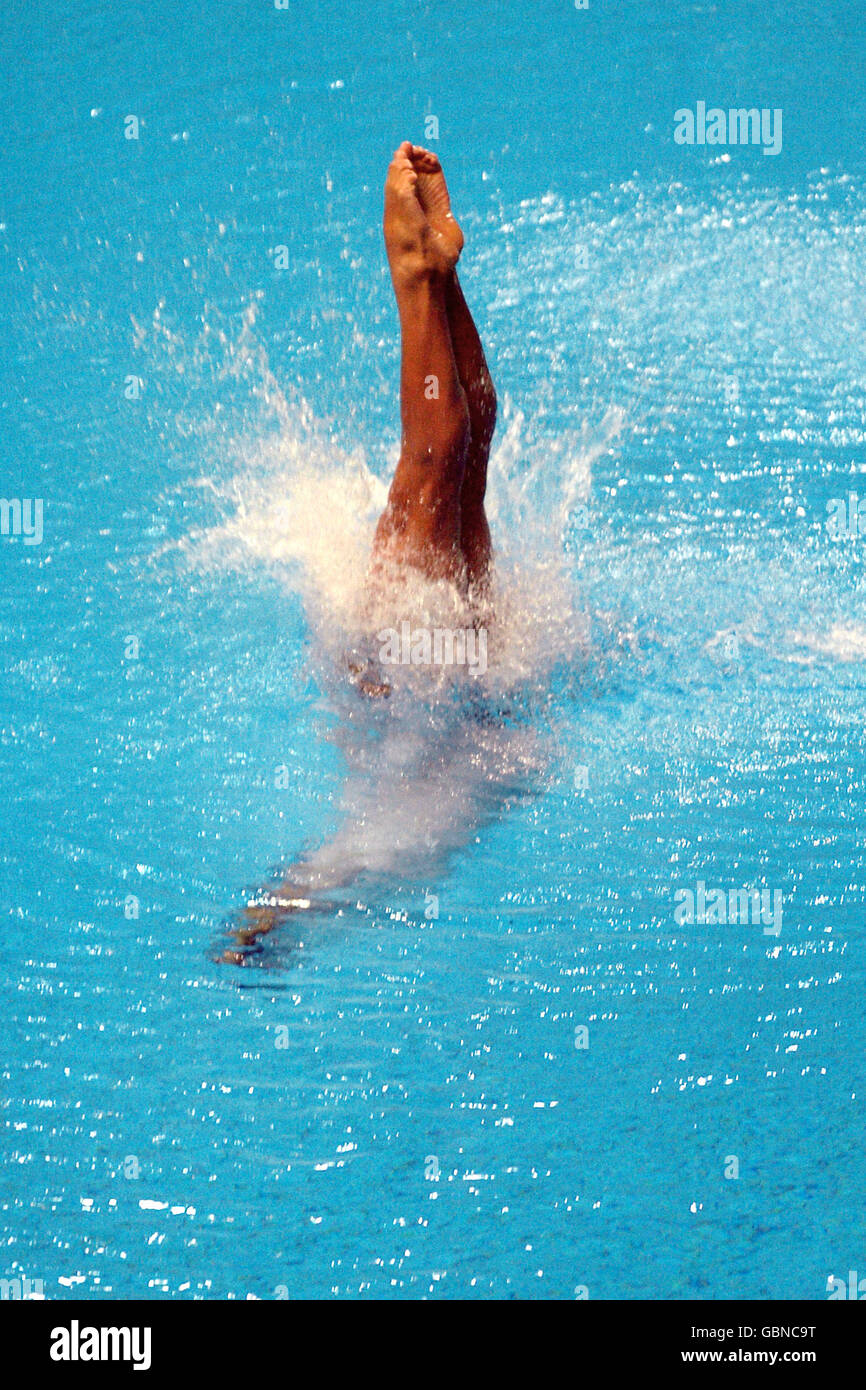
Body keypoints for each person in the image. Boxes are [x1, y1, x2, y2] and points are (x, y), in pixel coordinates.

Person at [222, 143, 498, 962]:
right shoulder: (414, 825)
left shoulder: (386, 825)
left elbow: (329, 867)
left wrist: (265, 924)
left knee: (437, 457)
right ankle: (441, 277)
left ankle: (415, 277)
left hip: (388, 661)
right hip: (461, 663)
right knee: (476, 437)